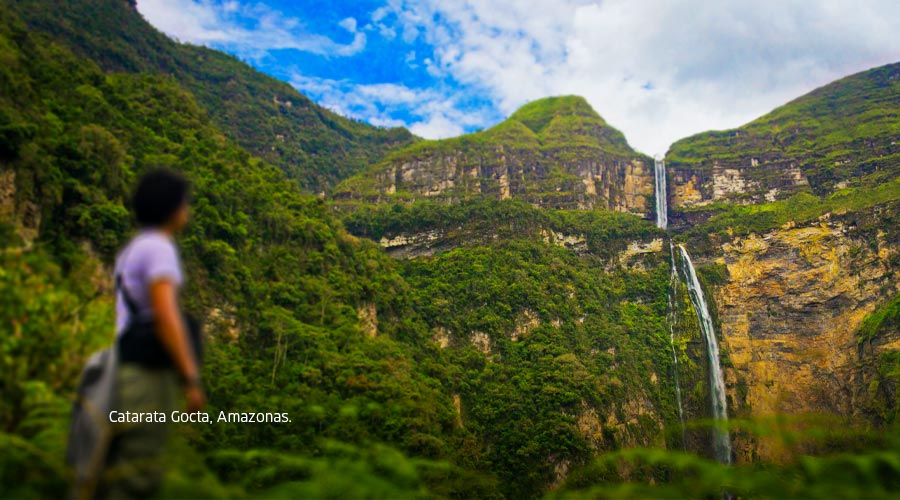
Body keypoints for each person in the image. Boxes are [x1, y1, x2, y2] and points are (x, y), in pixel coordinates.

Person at [98, 169, 204, 499]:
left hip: (123, 368)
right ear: (171, 208)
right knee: (138, 474)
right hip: (146, 376)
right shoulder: (160, 248)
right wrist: (190, 377)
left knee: (117, 467)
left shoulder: (132, 249)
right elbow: (165, 314)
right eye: (184, 202)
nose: (188, 208)